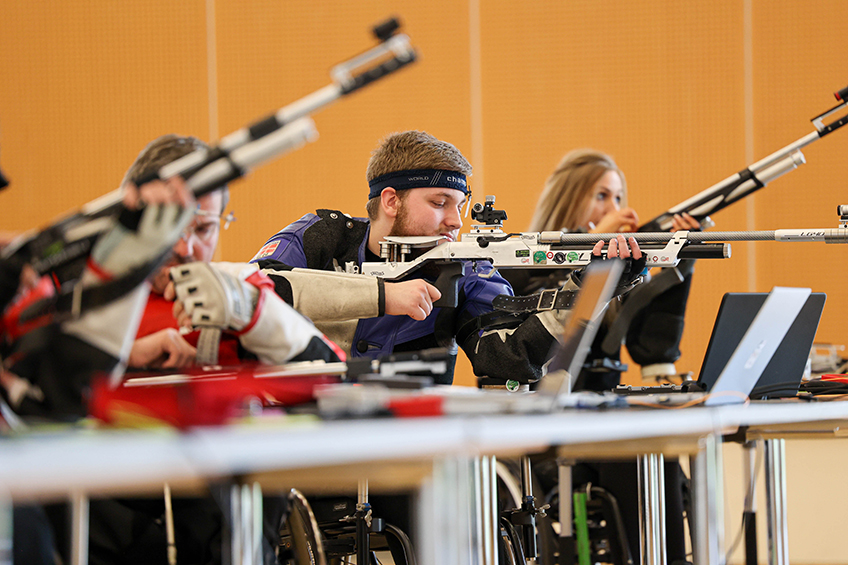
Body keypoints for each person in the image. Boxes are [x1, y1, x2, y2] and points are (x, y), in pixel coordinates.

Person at [251, 131, 644, 386]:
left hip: (411, 453)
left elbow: (511, 358)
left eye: (460, 206)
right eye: (439, 203)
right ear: (391, 200)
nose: (455, 221)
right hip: (301, 438)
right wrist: (384, 296)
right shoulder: (323, 236)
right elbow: (256, 292)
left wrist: (593, 285)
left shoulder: (464, 268)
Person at [521, 148, 701, 565]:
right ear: (569, 199)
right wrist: (593, 254)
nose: (617, 209)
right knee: (634, 446)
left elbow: (649, 346)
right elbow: (545, 323)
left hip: (606, 410)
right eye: (602, 196)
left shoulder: (621, 267)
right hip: (551, 419)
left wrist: (676, 265)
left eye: (619, 198)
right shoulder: (524, 258)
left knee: (660, 441)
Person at [126, 134, 342, 370]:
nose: (184, 248)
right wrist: (126, 358)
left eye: (204, 228)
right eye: (170, 227)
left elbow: (336, 373)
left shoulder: (240, 283)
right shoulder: (91, 296)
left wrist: (252, 312)